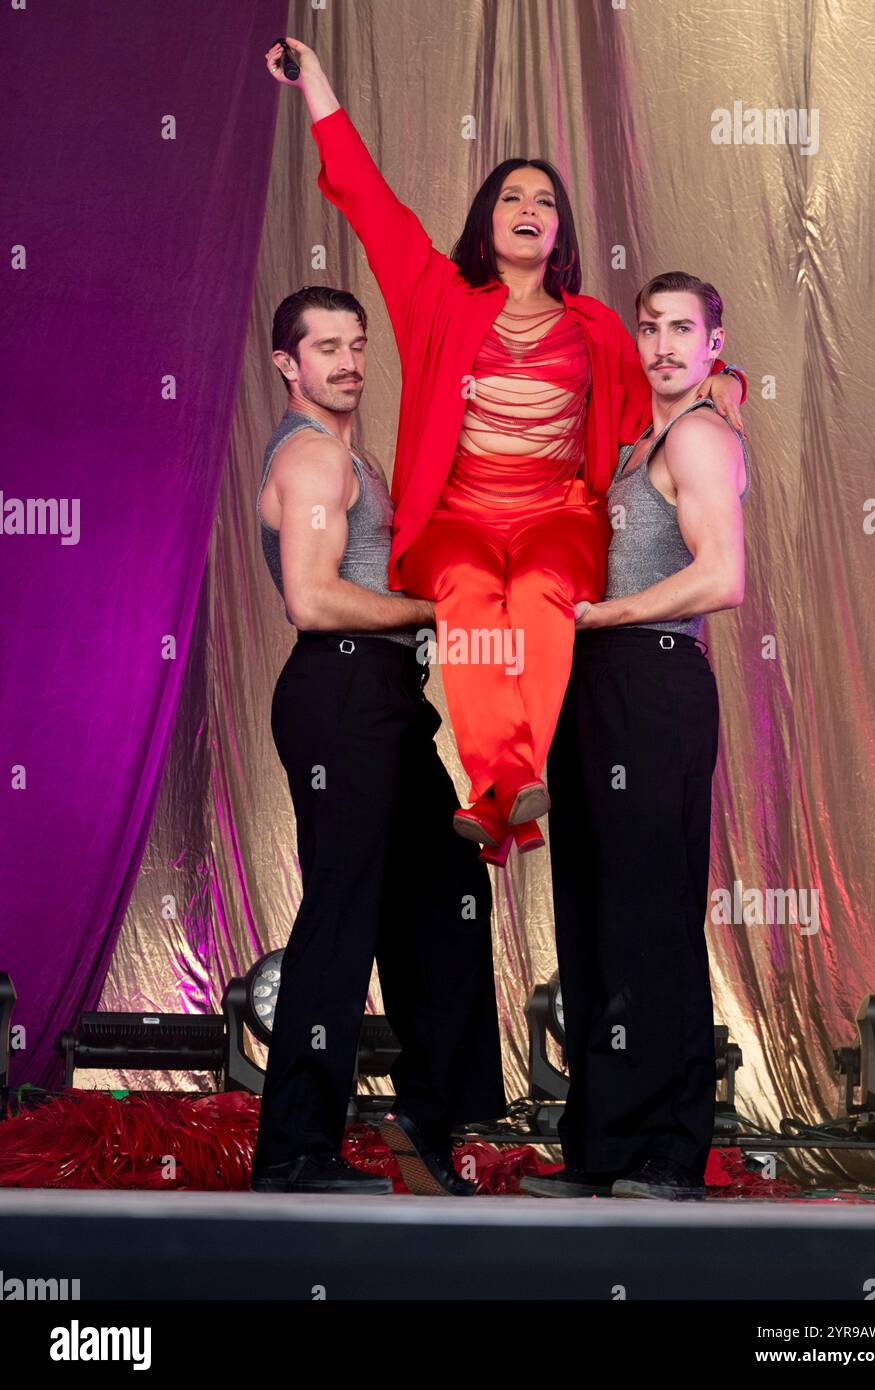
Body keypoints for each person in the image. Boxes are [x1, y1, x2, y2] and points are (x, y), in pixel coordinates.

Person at [264, 38, 746, 866]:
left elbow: (671, 379)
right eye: (512, 196)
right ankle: (509, 782)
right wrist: (316, 87)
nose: (530, 205)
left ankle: (500, 800)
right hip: (460, 515)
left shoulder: (596, 324)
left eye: (546, 200)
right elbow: (370, 202)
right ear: (488, 222)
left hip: (556, 511)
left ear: (558, 232)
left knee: (542, 591)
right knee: (461, 592)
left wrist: (728, 380)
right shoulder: (437, 300)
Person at [250, 284, 506, 1197]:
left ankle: (424, 1120)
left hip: (388, 699)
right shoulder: (316, 461)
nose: (349, 363)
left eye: (358, 346)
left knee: (445, 895)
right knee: (343, 913)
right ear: (288, 364)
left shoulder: (358, 463)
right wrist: (442, 610)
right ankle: (294, 1151)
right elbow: (313, 601)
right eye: (327, 349)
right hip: (341, 691)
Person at [521, 272, 750, 1201]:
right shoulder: (634, 446)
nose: (659, 344)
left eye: (680, 329)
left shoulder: (697, 433)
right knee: (595, 920)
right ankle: (602, 1148)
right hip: (601, 680)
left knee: (651, 921)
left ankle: (670, 1149)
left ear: (712, 342)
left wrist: (607, 614)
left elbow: (724, 576)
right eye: (649, 327)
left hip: (654, 674)